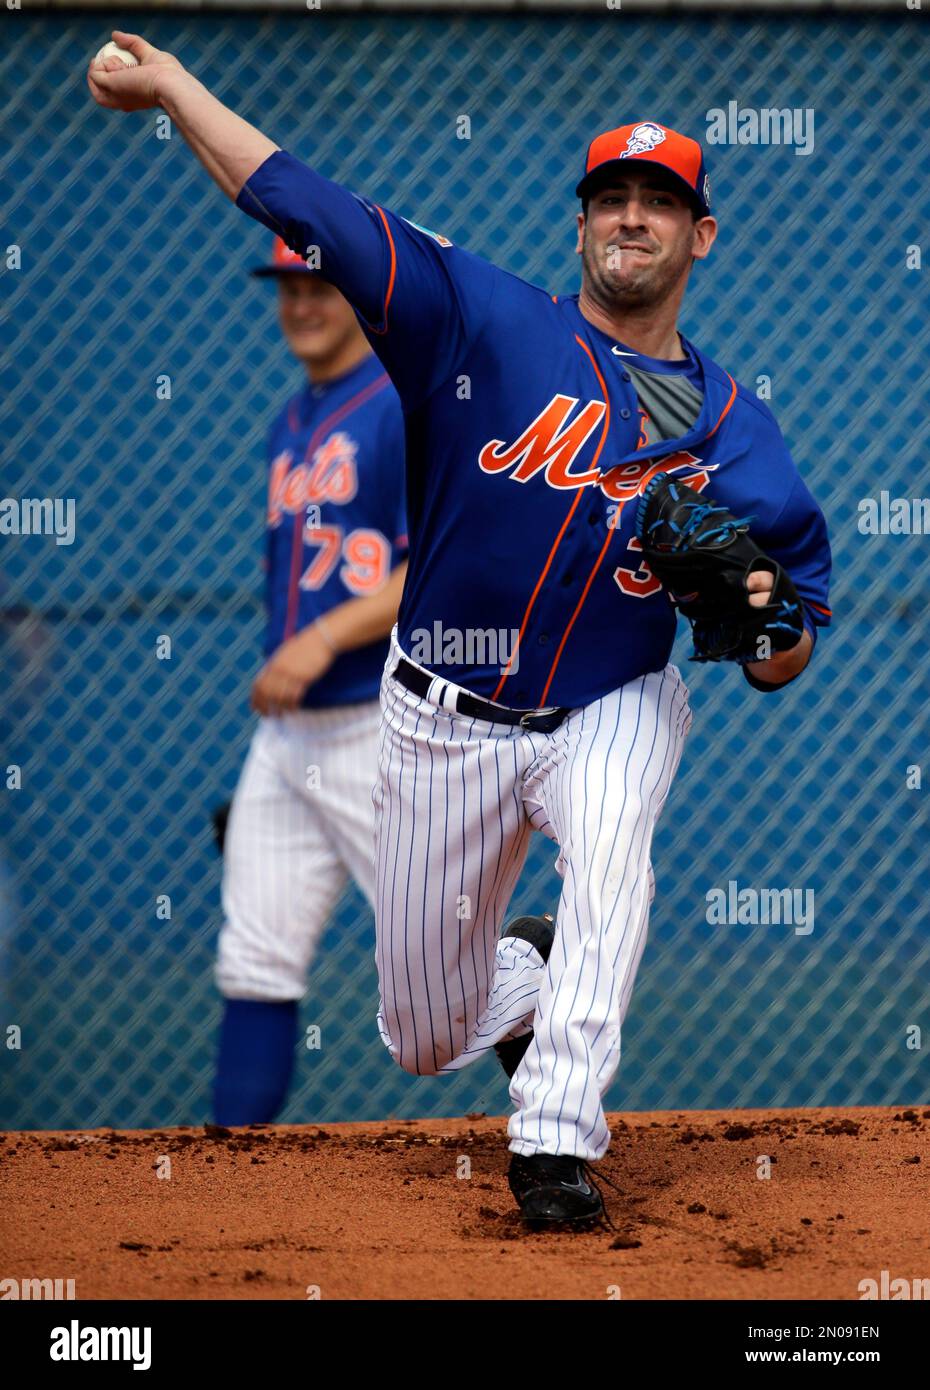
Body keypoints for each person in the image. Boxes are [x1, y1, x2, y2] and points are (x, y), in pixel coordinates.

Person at [89, 41, 832, 1225]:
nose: (633, 217)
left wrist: (763, 616)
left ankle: (552, 1141)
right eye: (613, 198)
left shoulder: (738, 432)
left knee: (615, 849)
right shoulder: (476, 320)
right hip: (442, 711)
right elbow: (300, 199)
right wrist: (177, 90)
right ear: (584, 223)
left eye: (662, 202)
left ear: (701, 235)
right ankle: (523, 971)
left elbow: (780, 653)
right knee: (420, 1033)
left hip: (610, 700)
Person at [212, 235, 408, 1125]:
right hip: (288, 741)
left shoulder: (399, 408)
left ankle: (554, 1136)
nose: (301, 305)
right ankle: (226, 1175)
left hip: (378, 728)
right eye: (288, 287)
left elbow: (435, 568)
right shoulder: (291, 420)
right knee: (254, 956)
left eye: (320, 286)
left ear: (360, 295)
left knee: (443, 970)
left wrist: (321, 638)